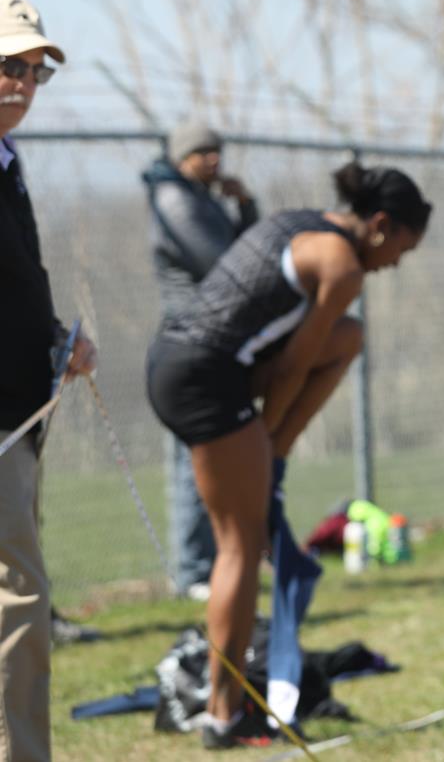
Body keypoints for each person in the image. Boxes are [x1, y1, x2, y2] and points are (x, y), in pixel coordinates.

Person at [147, 162, 430, 747]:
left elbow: (311, 346)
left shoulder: (304, 223)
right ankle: (225, 715)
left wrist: (269, 445)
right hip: (204, 378)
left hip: (178, 360)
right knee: (241, 548)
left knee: (349, 337)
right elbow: (295, 363)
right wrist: (267, 445)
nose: (398, 263)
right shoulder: (344, 266)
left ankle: (274, 452)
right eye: (401, 248)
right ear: (379, 225)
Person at [0, 0, 98, 762]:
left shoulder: (10, 161)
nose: (24, 83)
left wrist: (60, 339)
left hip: (22, 416)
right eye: (9, 65)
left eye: (35, 71)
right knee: (18, 598)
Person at [143, 121, 260, 600]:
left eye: (218, 149)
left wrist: (246, 205)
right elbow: (228, 265)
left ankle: (216, 562)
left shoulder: (201, 197)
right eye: (202, 152)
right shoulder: (175, 200)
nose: (214, 159)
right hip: (191, 343)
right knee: (197, 461)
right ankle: (193, 571)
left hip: (219, 341)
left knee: (221, 459)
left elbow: (249, 255)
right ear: (180, 157)